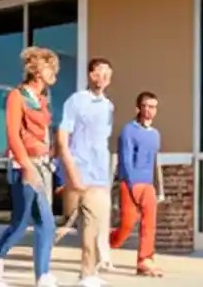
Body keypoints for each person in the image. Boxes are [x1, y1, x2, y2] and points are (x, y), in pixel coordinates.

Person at [0, 46, 60, 287]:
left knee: (42, 222)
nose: (55, 75)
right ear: (38, 72)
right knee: (24, 223)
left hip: (43, 165)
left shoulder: (42, 100)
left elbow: (44, 133)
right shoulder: (17, 96)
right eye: (52, 69)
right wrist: (27, 166)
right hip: (23, 165)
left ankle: (43, 275)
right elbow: (13, 135)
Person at [58, 57, 115, 287]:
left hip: (99, 173)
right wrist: (70, 171)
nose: (103, 77)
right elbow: (63, 137)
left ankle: (87, 273)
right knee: (68, 222)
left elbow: (103, 141)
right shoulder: (76, 101)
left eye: (107, 73)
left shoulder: (109, 106)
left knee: (94, 225)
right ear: (90, 75)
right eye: (99, 72)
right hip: (78, 171)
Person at [110, 91, 164, 277]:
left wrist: (158, 188)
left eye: (153, 107)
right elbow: (125, 160)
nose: (149, 110)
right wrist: (132, 184)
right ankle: (105, 246)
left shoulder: (156, 134)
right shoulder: (128, 130)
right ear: (138, 108)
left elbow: (154, 162)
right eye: (146, 106)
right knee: (126, 225)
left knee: (149, 224)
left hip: (148, 184)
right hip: (130, 183)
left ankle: (145, 260)